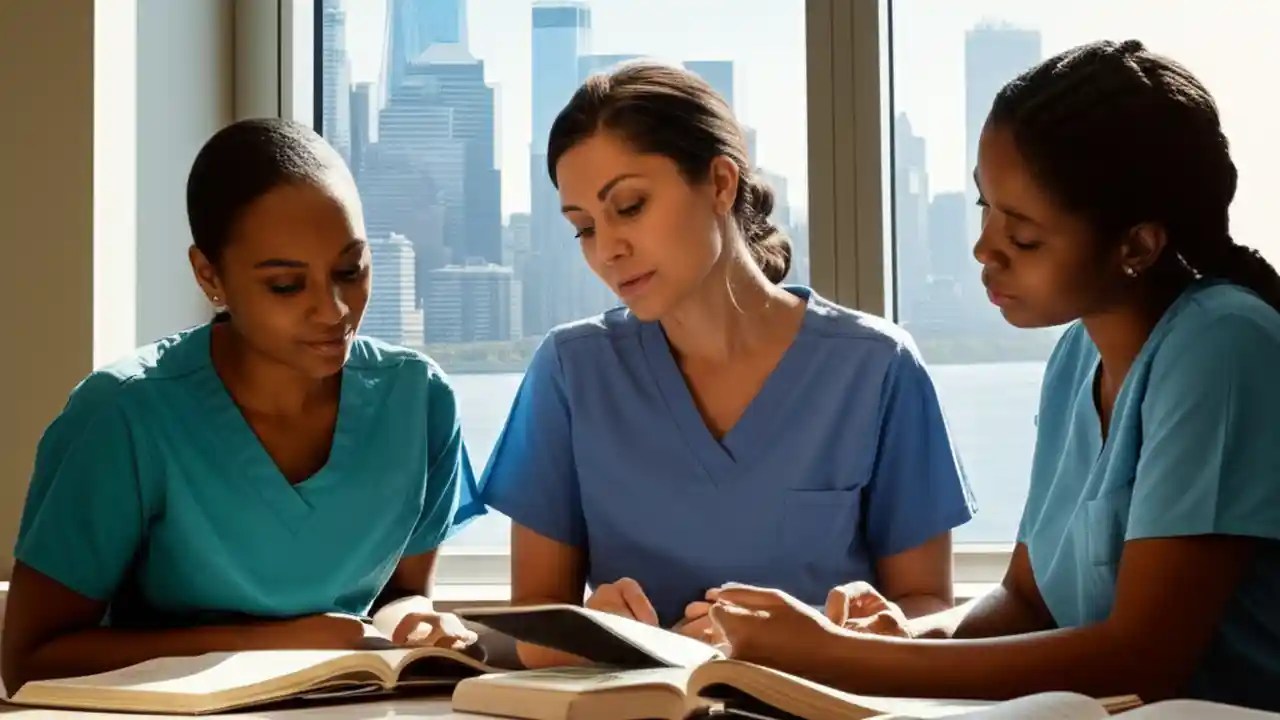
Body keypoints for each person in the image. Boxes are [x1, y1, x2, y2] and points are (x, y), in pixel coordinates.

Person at [709, 39, 1280, 712]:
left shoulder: (1224, 344)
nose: (984, 248)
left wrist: (840, 657)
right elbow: (1026, 599)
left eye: (1025, 234)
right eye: (984, 208)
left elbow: (1143, 658)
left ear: (1137, 244)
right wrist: (909, 639)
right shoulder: (1076, 359)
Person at [478, 61, 975, 665]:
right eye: (583, 228)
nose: (608, 249)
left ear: (719, 183)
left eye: (629, 206)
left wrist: (844, 637)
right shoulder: (570, 371)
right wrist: (596, 633)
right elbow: (538, 624)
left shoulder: (877, 367)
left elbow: (926, 603)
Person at [1, 118, 485, 692]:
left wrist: (415, 625)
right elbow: (30, 658)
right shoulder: (124, 414)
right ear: (210, 275)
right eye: (286, 285)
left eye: (349, 270)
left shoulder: (418, 399)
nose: (333, 311)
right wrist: (273, 643)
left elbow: (398, 598)